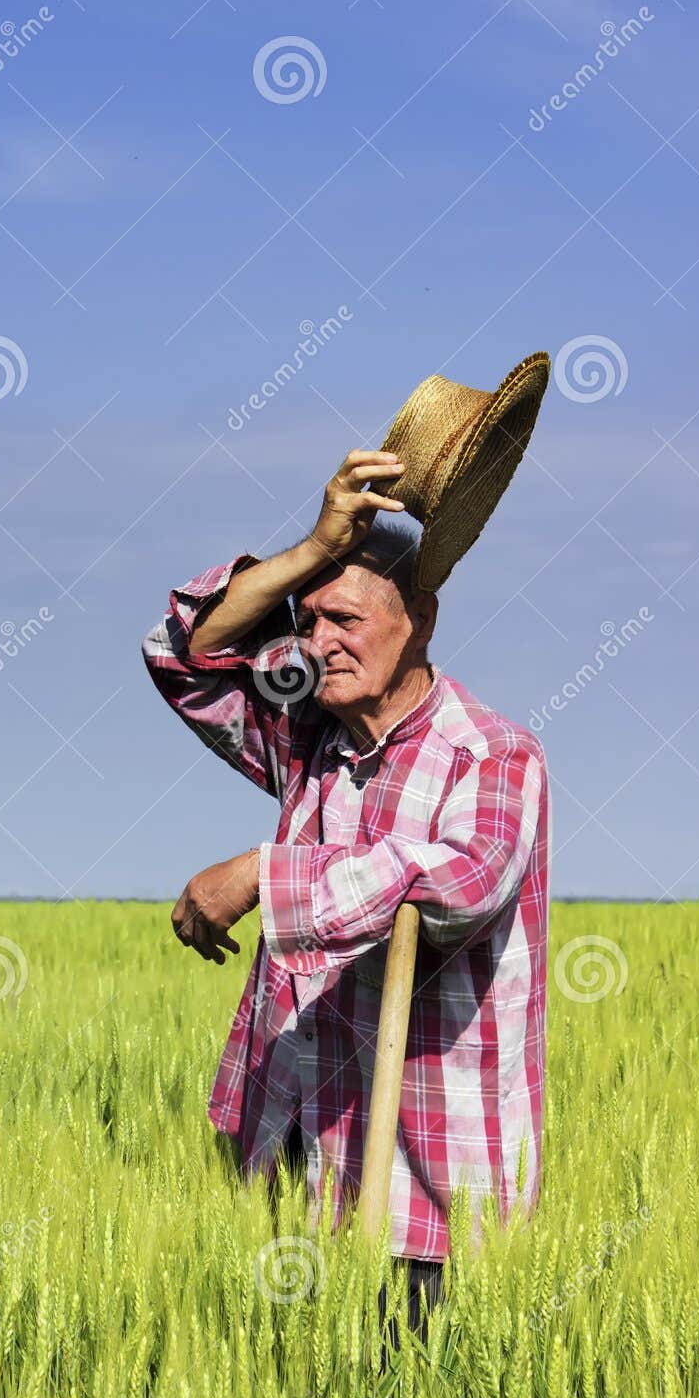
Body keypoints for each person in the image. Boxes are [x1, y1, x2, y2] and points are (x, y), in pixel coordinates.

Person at [140, 448, 551, 1325]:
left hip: (420, 1185)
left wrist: (263, 872)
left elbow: (458, 884)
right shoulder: (306, 736)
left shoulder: (490, 752)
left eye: (345, 621)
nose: (317, 644)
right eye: (307, 620)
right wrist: (315, 544)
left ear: (421, 620)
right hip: (289, 1145)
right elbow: (187, 655)